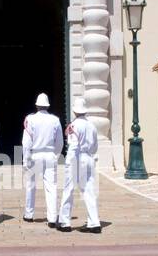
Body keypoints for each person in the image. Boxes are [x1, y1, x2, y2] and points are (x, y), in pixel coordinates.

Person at [58, 97, 100, 233]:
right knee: (89, 190)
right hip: (88, 157)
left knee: (68, 189)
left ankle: (65, 222)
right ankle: (94, 223)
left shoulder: (74, 125)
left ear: (75, 111)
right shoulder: (92, 125)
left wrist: (69, 162)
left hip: (76, 157)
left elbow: (74, 145)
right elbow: (95, 147)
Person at [22, 93, 63, 226]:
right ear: (48, 106)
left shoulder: (30, 119)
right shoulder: (55, 120)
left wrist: (26, 159)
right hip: (50, 154)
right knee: (51, 187)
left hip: (35, 154)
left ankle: (29, 214)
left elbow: (26, 142)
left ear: (37, 105)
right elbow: (60, 143)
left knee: (31, 185)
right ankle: (52, 218)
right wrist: (55, 155)